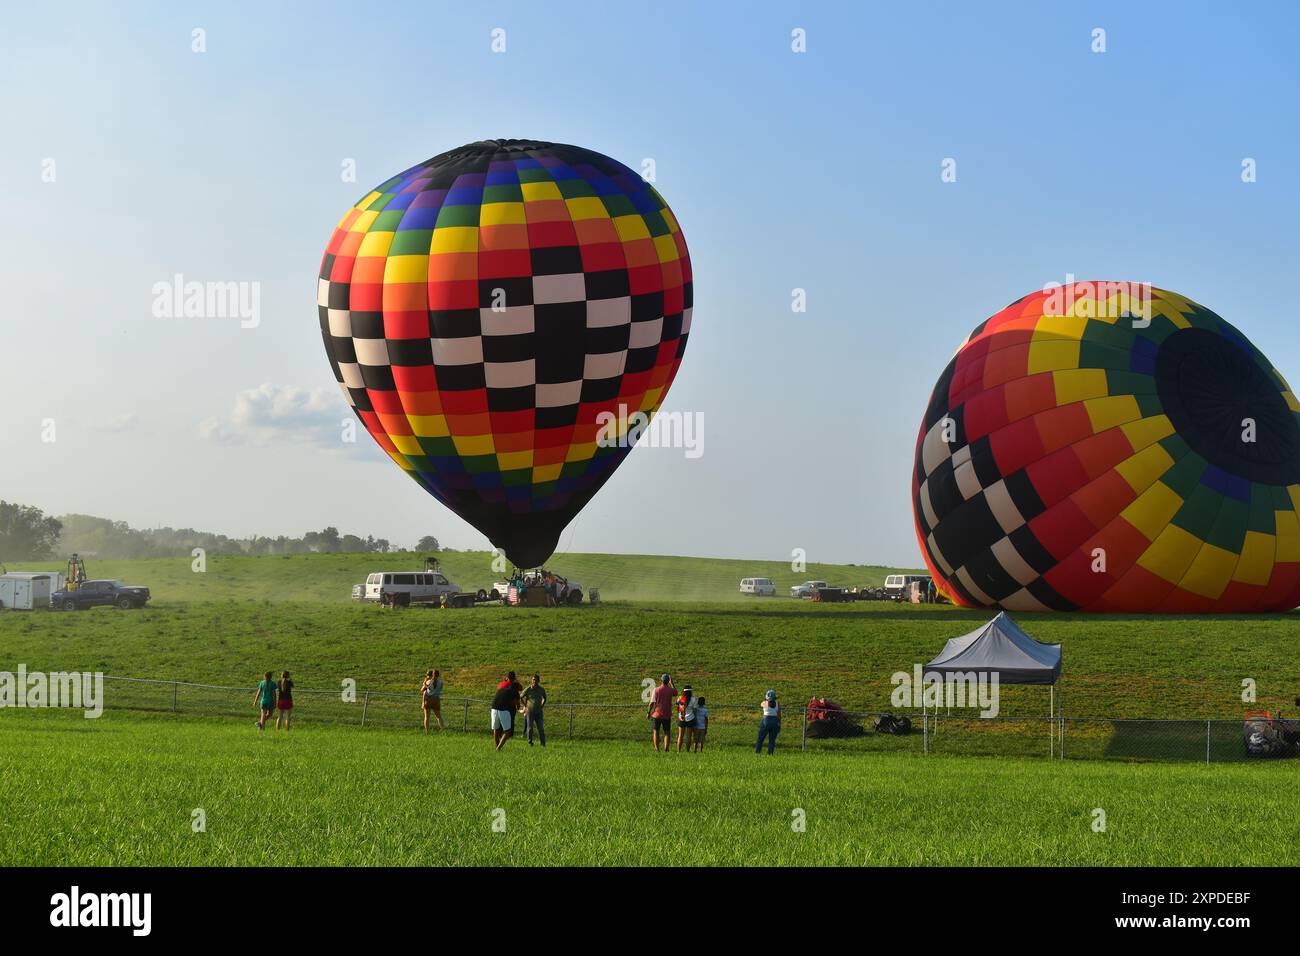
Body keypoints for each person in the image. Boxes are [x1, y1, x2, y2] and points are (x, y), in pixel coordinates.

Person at [491, 672, 523, 751]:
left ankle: (497, 747)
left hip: (494, 707)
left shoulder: (502, 686)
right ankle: (498, 749)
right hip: (504, 709)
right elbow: (518, 704)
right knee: (507, 731)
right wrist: (519, 709)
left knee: (496, 729)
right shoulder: (515, 691)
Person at [647, 673, 675, 752]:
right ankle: (666, 748)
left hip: (657, 714)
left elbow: (652, 702)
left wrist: (648, 712)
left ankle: (657, 749)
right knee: (667, 732)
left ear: (661, 680)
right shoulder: (670, 690)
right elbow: (675, 692)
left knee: (656, 732)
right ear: (667, 681)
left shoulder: (656, 690)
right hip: (667, 715)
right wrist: (672, 683)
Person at [521, 674, 547, 746]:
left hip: (539, 712)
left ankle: (543, 744)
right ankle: (530, 743)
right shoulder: (528, 689)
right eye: (533, 679)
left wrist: (542, 705)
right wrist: (525, 706)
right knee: (530, 728)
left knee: (541, 728)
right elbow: (520, 697)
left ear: (539, 681)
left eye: (536, 680)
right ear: (531, 680)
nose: (534, 681)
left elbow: (545, 698)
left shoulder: (541, 689)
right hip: (530, 712)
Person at [756, 689, 780, 754]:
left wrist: (765, 700)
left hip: (766, 720)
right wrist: (779, 723)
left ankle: (758, 752)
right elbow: (779, 714)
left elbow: (761, 704)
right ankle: (770, 753)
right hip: (775, 721)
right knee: (772, 740)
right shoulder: (777, 703)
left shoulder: (765, 703)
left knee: (760, 738)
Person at [676, 684, 697, 752]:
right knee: (688, 736)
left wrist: (679, 714)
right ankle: (687, 751)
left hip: (681, 718)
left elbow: (678, 707)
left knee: (680, 736)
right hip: (690, 718)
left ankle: (678, 751)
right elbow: (694, 710)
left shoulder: (680, 698)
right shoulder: (693, 699)